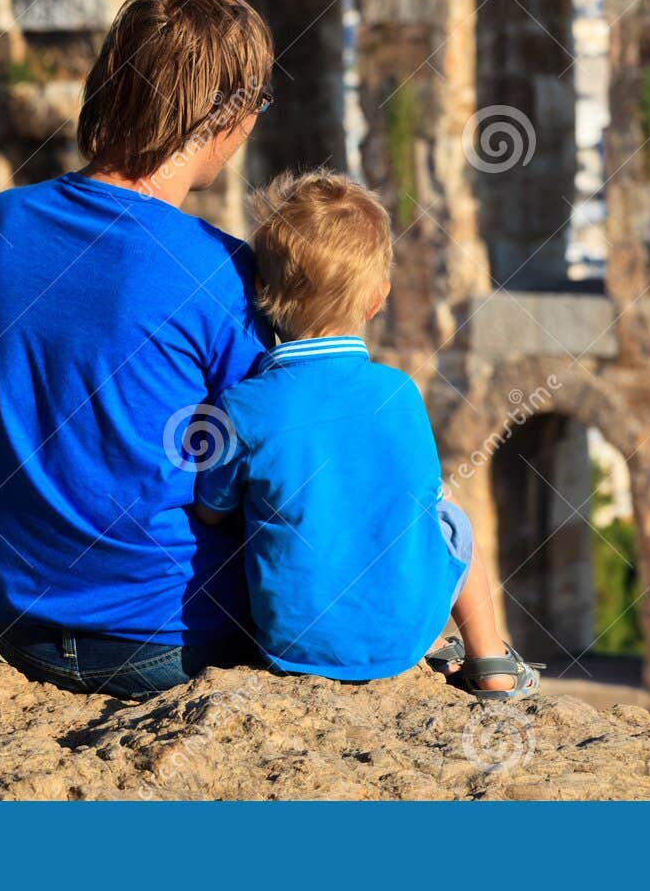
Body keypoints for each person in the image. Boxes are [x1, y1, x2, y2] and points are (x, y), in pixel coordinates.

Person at [0, 0, 274, 699]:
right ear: (228, 117)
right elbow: (273, 483)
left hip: (15, 624)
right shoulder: (224, 274)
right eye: (256, 106)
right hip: (172, 636)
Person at [193, 171, 540, 697]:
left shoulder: (244, 408)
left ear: (261, 291)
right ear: (377, 300)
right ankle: (490, 657)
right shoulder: (399, 392)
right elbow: (419, 500)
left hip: (293, 642)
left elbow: (212, 511)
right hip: (408, 634)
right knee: (450, 514)